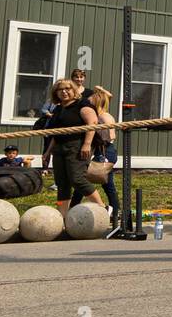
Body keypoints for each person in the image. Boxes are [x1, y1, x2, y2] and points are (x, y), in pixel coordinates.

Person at [42, 79, 106, 214]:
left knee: (77, 179)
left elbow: (92, 123)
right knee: (62, 184)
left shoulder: (82, 105)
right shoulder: (59, 109)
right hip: (59, 148)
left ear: (74, 90)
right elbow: (56, 133)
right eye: (60, 90)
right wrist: (47, 152)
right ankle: (63, 215)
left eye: (67, 89)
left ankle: (103, 208)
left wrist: (87, 144)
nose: (64, 92)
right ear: (56, 93)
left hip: (77, 146)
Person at [90, 87, 120, 224]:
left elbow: (110, 136)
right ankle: (115, 210)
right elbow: (109, 95)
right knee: (105, 184)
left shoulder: (104, 117)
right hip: (103, 151)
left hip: (105, 151)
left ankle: (115, 210)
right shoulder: (100, 115)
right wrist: (100, 89)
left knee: (90, 180)